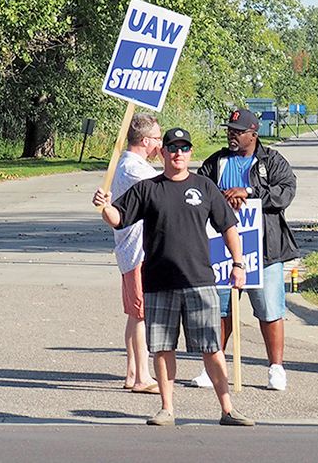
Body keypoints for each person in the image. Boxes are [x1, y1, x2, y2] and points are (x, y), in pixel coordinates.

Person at [94, 128, 255, 427]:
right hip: (159, 282)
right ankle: (167, 408)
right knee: (163, 348)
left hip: (199, 281)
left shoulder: (204, 187)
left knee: (211, 348)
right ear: (163, 152)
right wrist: (104, 206)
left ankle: (228, 410)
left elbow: (229, 228)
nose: (178, 153)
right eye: (172, 148)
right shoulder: (148, 188)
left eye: (184, 148)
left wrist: (238, 264)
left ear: (190, 153)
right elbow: (118, 218)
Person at [192, 109, 299, 391]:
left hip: (264, 250)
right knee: (220, 310)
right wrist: (220, 198)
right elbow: (198, 191)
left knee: (269, 309)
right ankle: (213, 367)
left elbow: (286, 192)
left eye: (238, 131)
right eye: (230, 130)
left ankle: (276, 367)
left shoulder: (271, 161)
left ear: (254, 133)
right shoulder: (216, 162)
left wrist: (249, 192)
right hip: (221, 251)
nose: (232, 135)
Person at [107, 113, 161, 393]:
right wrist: (167, 160)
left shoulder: (131, 164)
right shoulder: (133, 168)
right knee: (141, 314)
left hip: (134, 249)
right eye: (159, 139)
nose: (161, 144)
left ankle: (131, 373)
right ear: (146, 140)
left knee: (135, 313)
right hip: (138, 250)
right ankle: (142, 375)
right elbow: (163, 188)